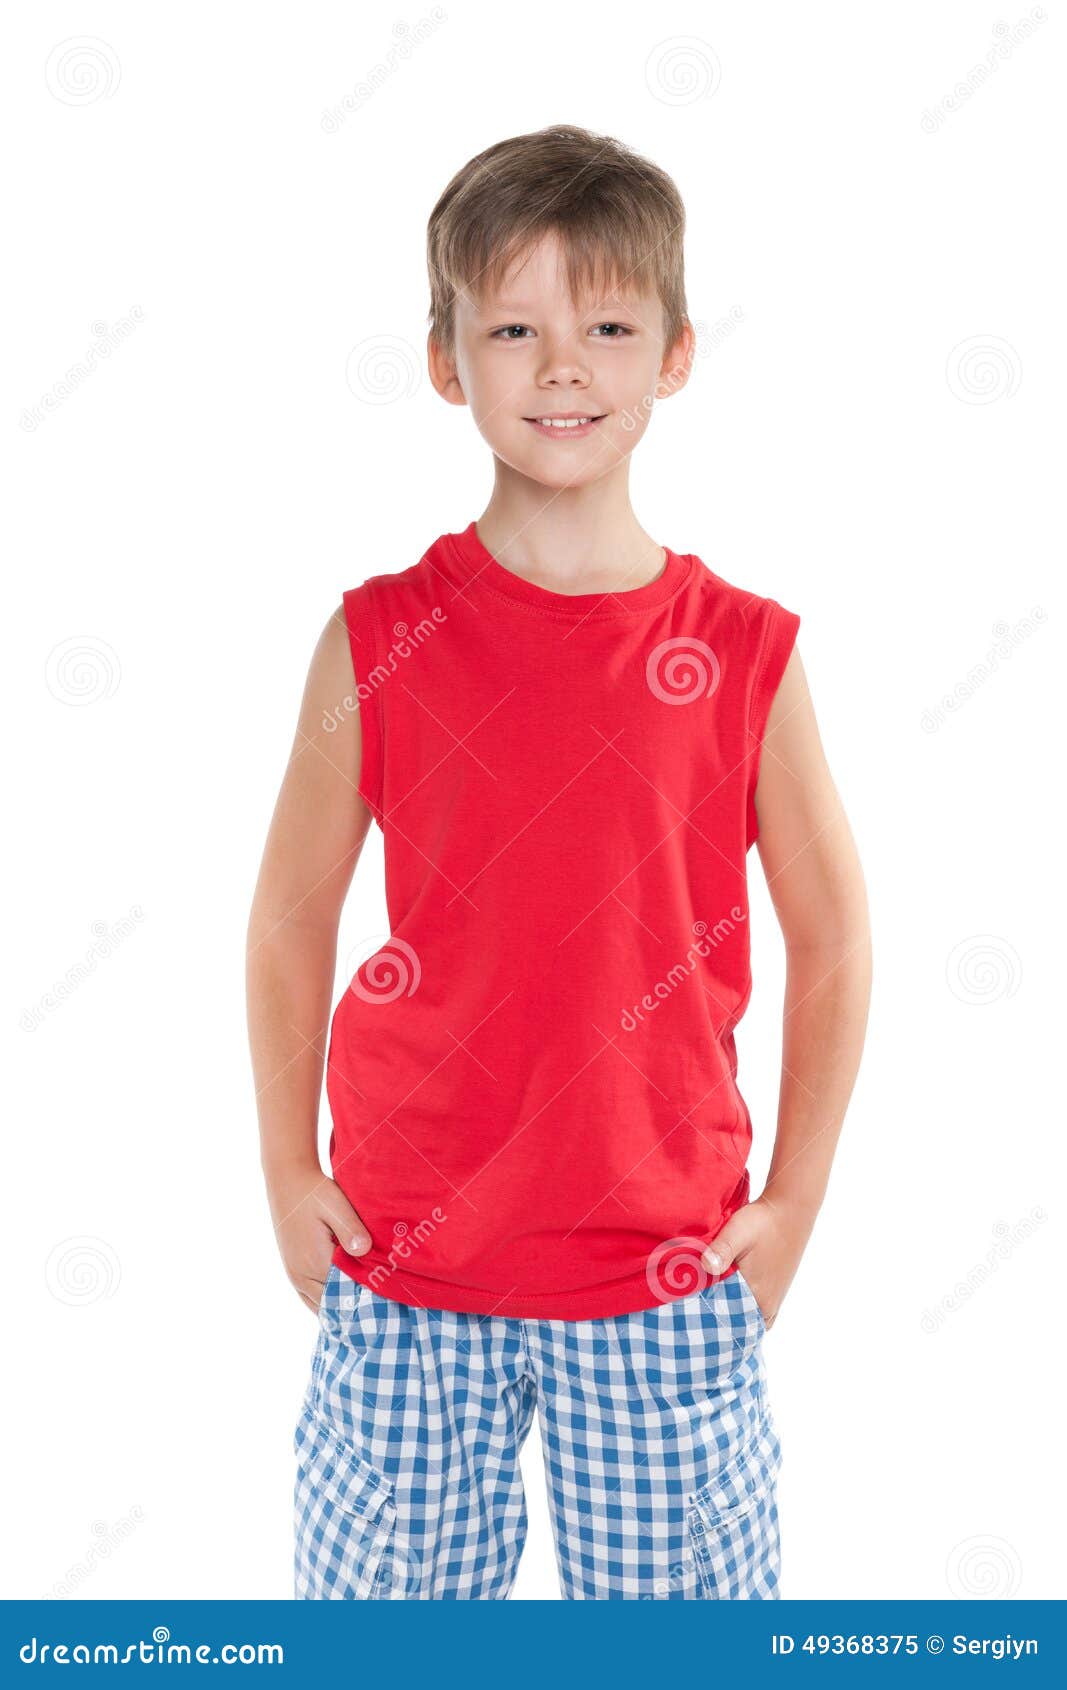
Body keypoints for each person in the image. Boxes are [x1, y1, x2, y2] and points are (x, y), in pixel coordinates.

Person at [246, 123, 871, 1600]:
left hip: (667, 1273)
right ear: (449, 362)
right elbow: (289, 918)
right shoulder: (378, 635)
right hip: (408, 1268)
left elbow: (836, 939)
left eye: (606, 324)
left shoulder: (743, 654)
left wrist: (793, 1206)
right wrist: (287, 1171)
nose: (563, 365)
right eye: (514, 328)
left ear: (676, 354)